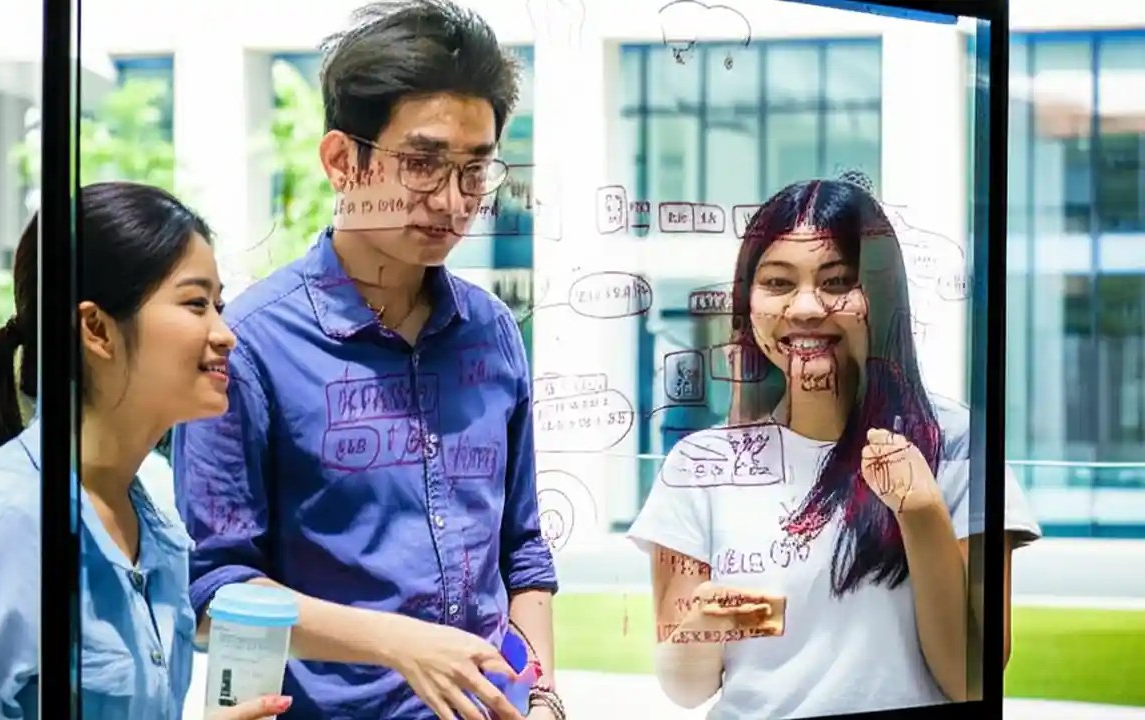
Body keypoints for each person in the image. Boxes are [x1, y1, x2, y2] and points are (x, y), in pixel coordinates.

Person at [171, 2, 561, 719]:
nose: (452, 201)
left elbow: (524, 554)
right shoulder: (251, 343)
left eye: (475, 171)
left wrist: (542, 698)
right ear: (341, 161)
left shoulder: (492, 331)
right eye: (421, 164)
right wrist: (398, 644)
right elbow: (215, 592)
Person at [0, 182, 292, 720]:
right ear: (96, 328)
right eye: (195, 304)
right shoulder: (8, 525)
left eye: (219, 304)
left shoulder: (156, 521)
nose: (225, 333)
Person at [627, 179, 1041, 719]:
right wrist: (707, 622)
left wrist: (921, 513)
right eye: (777, 283)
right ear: (748, 302)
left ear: (881, 295)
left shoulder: (957, 444)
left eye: (837, 282)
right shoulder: (700, 464)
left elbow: (972, 679)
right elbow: (686, 690)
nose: (804, 307)